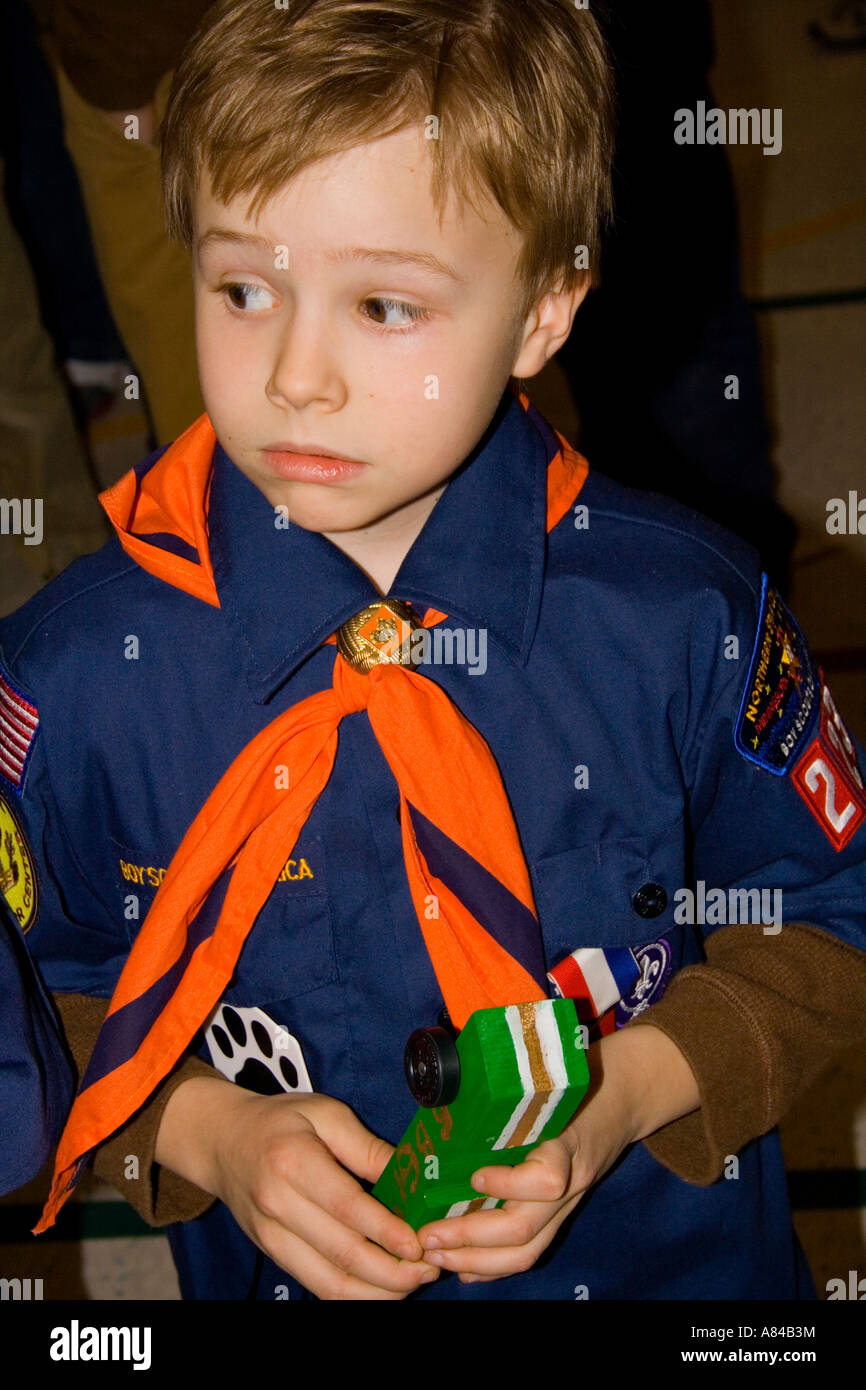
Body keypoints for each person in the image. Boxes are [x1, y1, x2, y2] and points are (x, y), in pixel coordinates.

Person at [2, 0, 866, 1300]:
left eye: (383, 305)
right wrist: (209, 1135)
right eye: (243, 285)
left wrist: (630, 1089)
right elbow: (42, 1002)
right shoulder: (77, 672)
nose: (297, 372)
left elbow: (826, 916)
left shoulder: (684, 614)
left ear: (542, 311)